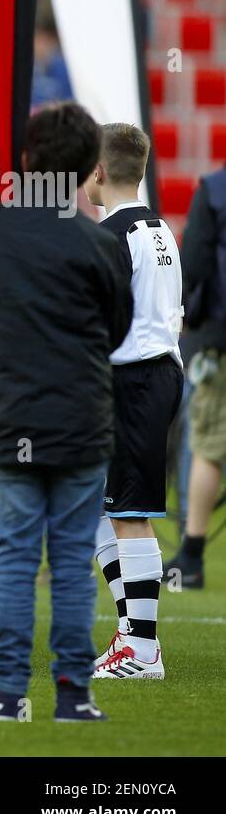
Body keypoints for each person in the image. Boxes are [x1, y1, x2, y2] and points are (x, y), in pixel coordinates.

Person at [0, 101, 133, 723]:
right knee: (73, 564)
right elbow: (117, 331)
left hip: (9, 417)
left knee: (17, 560)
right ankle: (74, 695)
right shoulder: (98, 240)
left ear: (26, 159)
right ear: (91, 168)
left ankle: (7, 693)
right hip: (81, 416)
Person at [84, 124, 182, 680]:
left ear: (98, 171)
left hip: (133, 379)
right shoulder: (160, 228)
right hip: (155, 371)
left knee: (130, 514)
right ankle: (131, 634)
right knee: (103, 508)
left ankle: (142, 651)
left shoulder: (113, 236)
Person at [172, 163, 226, 590]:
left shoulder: (214, 188)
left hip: (220, 339)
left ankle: (190, 554)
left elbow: (194, 261)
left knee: (208, 446)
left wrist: (191, 317)